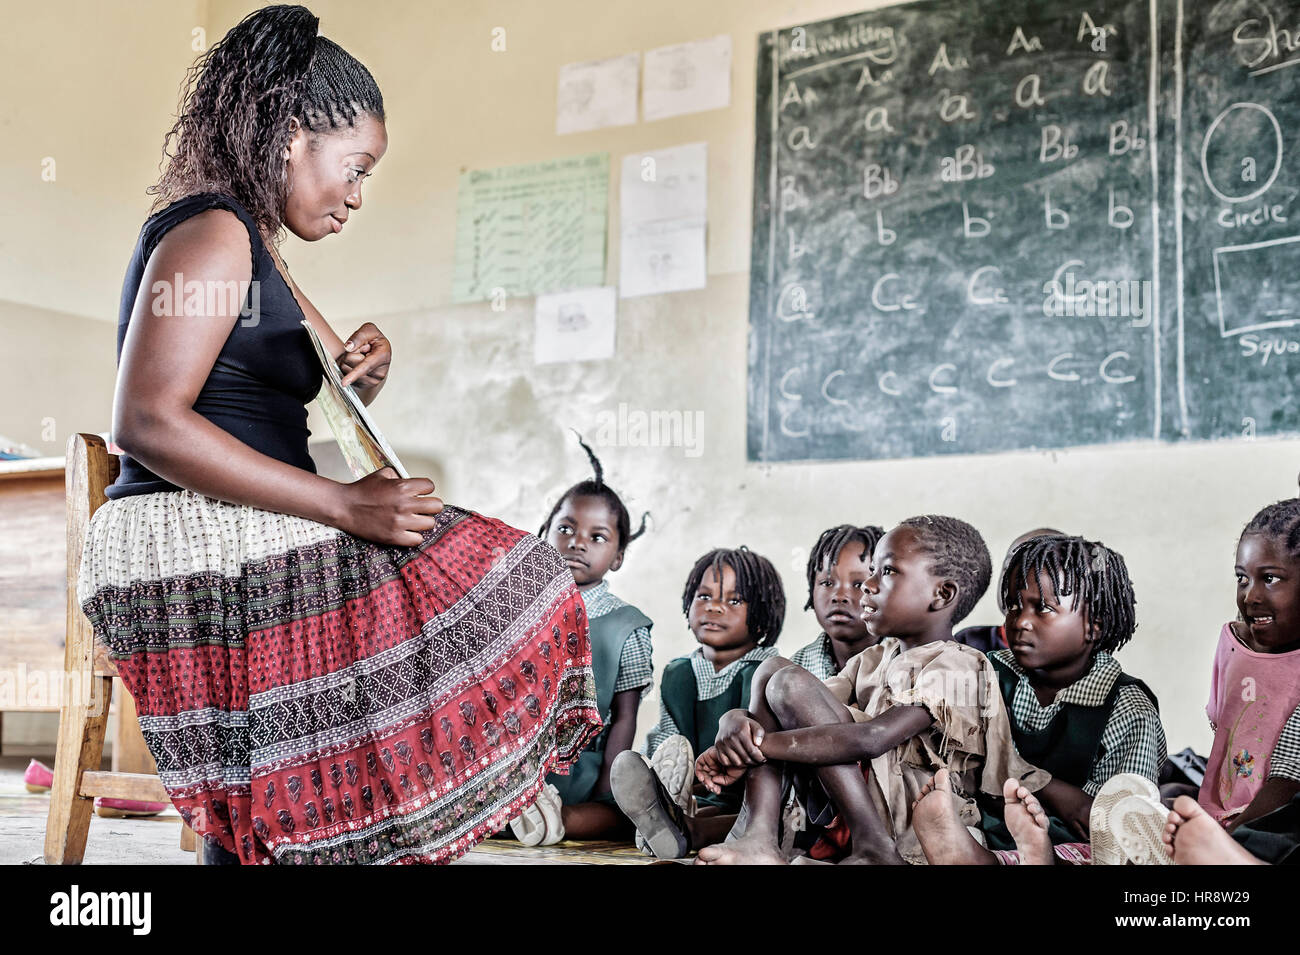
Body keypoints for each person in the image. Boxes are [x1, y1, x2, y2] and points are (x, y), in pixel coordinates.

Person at [75, 5, 601, 865]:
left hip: (249, 528)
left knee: (465, 568)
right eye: (353, 168)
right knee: (512, 579)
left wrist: (369, 362)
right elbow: (147, 422)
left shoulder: (255, 249)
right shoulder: (210, 233)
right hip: (191, 535)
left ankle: (320, 829)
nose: (357, 195)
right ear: (289, 135)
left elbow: (332, 367)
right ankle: (342, 826)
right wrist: (342, 503)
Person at [691, 516, 1049, 865]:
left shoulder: (958, 664)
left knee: (785, 680)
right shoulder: (877, 656)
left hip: (910, 819)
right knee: (773, 669)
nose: (868, 585)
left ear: (942, 594)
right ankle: (758, 835)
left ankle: (875, 846)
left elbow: (874, 738)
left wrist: (754, 746)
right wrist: (733, 723)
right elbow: (800, 705)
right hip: (856, 797)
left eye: (888, 572)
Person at [912, 535, 1166, 865]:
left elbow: (1121, 817)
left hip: (1072, 842)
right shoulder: (987, 672)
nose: (1021, 622)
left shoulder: (1127, 708)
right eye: (1015, 606)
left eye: (1044, 609)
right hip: (985, 822)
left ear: (1094, 626)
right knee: (949, 822)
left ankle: (1015, 858)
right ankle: (980, 855)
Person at [509, 434, 652, 844]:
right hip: (515, 765)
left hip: (583, 769)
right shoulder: (519, 609)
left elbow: (624, 716)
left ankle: (557, 817)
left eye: (598, 537)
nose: (577, 543)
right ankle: (530, 814)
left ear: (619, 557)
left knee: (621, 818)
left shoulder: (627, 626)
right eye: (566, 528)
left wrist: (609, 784)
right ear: (544, 533)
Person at [609, 547, 786, 859]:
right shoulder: (680, 673)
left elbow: (763, 748)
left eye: (734, 600)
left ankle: (678, 825)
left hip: (756, 794)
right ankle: (668, 813)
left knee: (759, 818)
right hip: (699, 790)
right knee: (679, 801)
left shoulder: (765, 669)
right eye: (704, 596)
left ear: (762, 615)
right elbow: (668, 738)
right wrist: (668, 771)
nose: (714, 608)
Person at [1195, 500, 1300, 829]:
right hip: (1219, 813)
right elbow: (1223, 731)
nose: (1250, 596)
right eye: (1242, 578)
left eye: (1270, 578)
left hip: (1274, 824)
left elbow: (1288, 786)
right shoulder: (1232, 644)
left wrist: (1225, 843)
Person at [789, 524, 885, 679]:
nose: (839, 596)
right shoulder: (795, 670)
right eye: (827, 583)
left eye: (859, 584)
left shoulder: (908, 663)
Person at [952, 527, 1063, 653]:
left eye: (1037, 574)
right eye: (1009, 568)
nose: (1018, 583)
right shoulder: (968, 643)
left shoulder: (1073, 656)